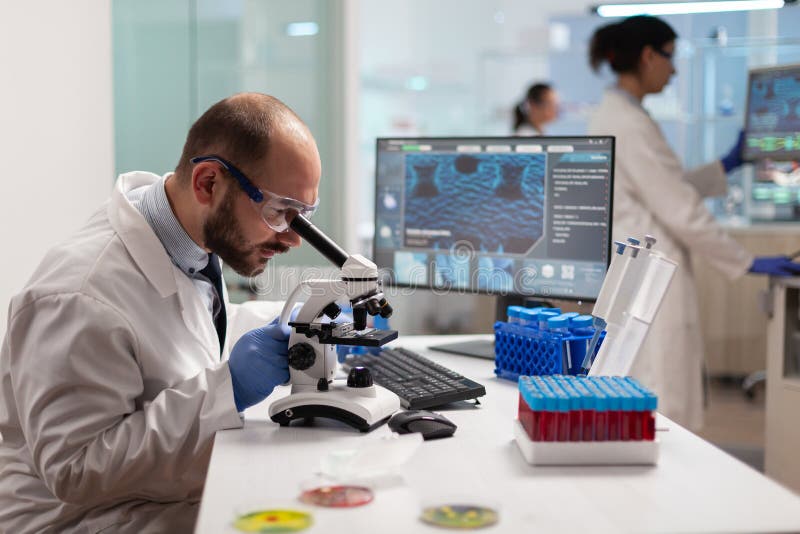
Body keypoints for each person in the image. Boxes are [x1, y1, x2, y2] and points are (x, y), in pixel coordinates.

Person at [0, 93, 322, 532]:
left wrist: (293, 318)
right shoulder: (78, 295)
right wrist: (229, 389)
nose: (293, 239)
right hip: (77, 521)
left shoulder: (188, 245)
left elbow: (182, 340)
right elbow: (75, 468)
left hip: (152, 501)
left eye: (302, 215)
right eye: (280, 212)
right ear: (208, 183)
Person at [587, 15, 800, 430]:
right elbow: (679, 208)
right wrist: (745, 261)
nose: (675, 68)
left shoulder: (621, 115)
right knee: (664, 401)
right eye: (670, 56)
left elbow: (667, 187)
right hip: (649, 281)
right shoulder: (628, 123)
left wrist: (728, 164)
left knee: (654, 398)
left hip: (640, 274)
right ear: (648, 56)